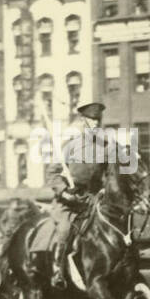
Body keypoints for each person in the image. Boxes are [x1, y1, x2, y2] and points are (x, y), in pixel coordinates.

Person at [44, 101, 107, 287]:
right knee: (64, 229)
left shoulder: (105, 147)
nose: (94, 124)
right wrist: (64, 192)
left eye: (97, 120)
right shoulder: (70, 146)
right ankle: (58, 269)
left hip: (94, 199)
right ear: (83, 121)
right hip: (69, 202)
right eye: (91, 120)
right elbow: (53, 173)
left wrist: (105, 189)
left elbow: (110, 173)